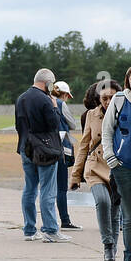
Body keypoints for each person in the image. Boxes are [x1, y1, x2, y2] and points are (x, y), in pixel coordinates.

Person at [71, 79, 123, 261]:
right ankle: (108, 247)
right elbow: (84, 145)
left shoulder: (125, 113)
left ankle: (110, 255)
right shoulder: (91, 116)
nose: (108, 101)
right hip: (95, 168)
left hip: (118, 169)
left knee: (115, 214)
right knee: (103, 202)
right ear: (98, 99)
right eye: (104, 98)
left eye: (111, 97)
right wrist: (75, 175)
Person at [102, 62, 131, 261]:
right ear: (128, 80)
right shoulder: (119, 100)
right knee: (129, 217)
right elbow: (107, 129)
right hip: (122, 166)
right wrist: (111, 157)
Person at [15, 68, 68, 243]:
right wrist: (55, 107)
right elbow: (54, 124)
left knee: (29, 188)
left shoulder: (21, 98)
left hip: (25, 147)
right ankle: (50, 230)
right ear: (49, 83)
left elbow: (18, 126)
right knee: (48, 189)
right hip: (45, 149)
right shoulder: (46, 100)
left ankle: (29, 230)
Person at [51, 80, 82, 231]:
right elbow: (73, 124)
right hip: (61, 147)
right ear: (64, 94)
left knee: (48, 187)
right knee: (61, 188)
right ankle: (65, 220)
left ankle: (50, 221)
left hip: (45, 148)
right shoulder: (61, 104)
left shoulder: (45, 101)